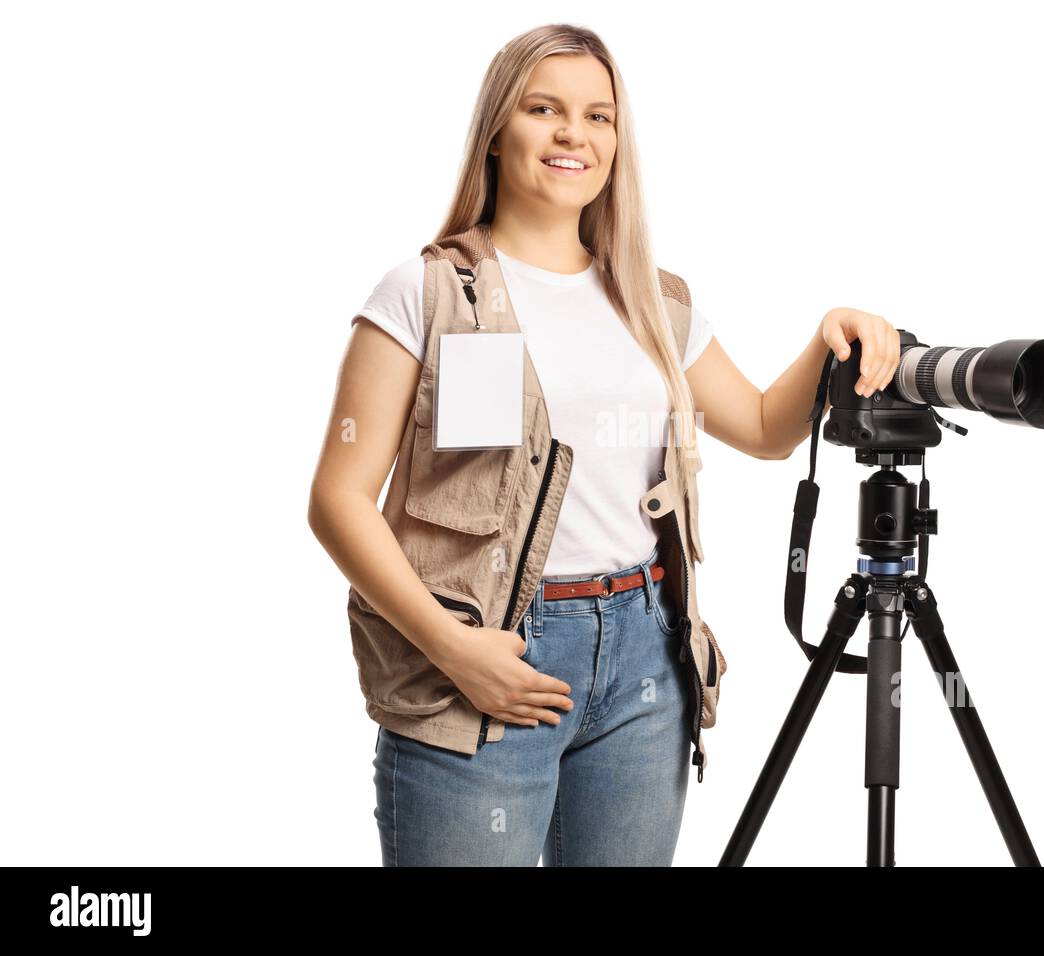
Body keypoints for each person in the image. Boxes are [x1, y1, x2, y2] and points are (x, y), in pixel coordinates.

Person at [307, 23, 900, 866]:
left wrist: (830, 337)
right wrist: (455, 650)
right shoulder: (428, 291)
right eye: (543, 108)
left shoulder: (653, 302)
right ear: (496, 131)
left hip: (644, 661)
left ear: (618, 144)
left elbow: (769, 428)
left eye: (598, 116)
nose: (572, 135)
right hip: (490, 656)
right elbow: (337, 499)